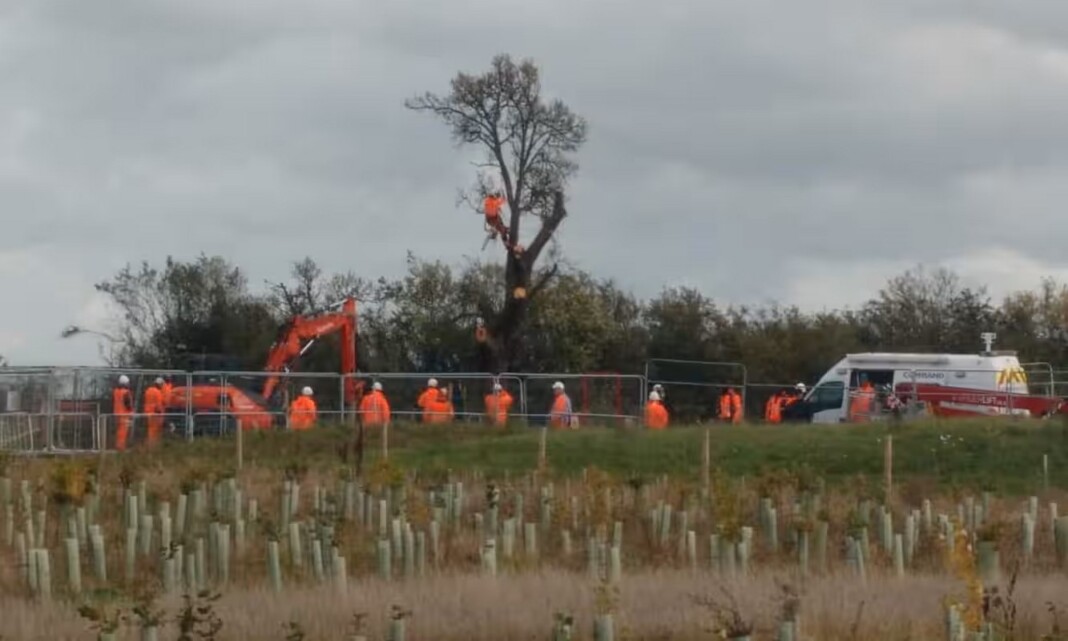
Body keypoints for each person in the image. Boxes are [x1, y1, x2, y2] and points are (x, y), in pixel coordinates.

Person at [143, 377, 166, 447]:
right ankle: (153, 445)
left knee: (150, 430)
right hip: (155, 415)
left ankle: (150, 444)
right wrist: (160, 414)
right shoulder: (158, 392)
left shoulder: (148, 391)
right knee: (155, 431)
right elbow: (158, 406)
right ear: (159, 384)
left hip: (148, 413)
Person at [113, 375, 133, 451]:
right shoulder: (126, 392)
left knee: (119, 431)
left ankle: (118, 445)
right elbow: (128, 404)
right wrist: (131, 412)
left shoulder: (116, 391)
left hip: (117, 414)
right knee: (123, 431)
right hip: (124, 414)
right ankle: (121, 447)